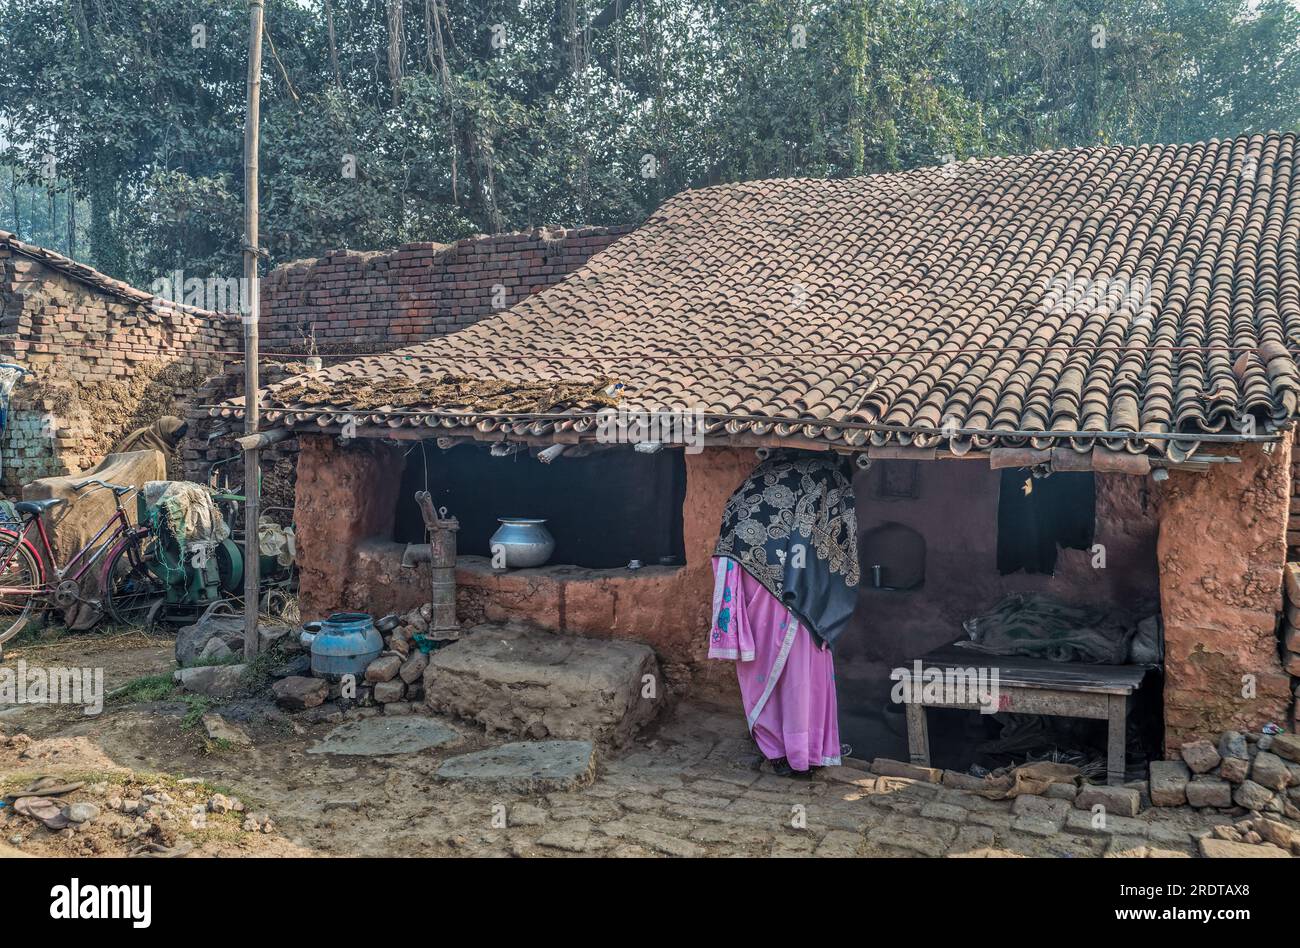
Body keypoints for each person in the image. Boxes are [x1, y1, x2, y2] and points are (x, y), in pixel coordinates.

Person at [710, 450, 860, 774]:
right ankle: (802, 753)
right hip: (784, 580)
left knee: (761, 660)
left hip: (738, 563)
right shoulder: (830, 476)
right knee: (803, 663)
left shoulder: (766, 471)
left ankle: (777, 750)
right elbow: (835, 549)